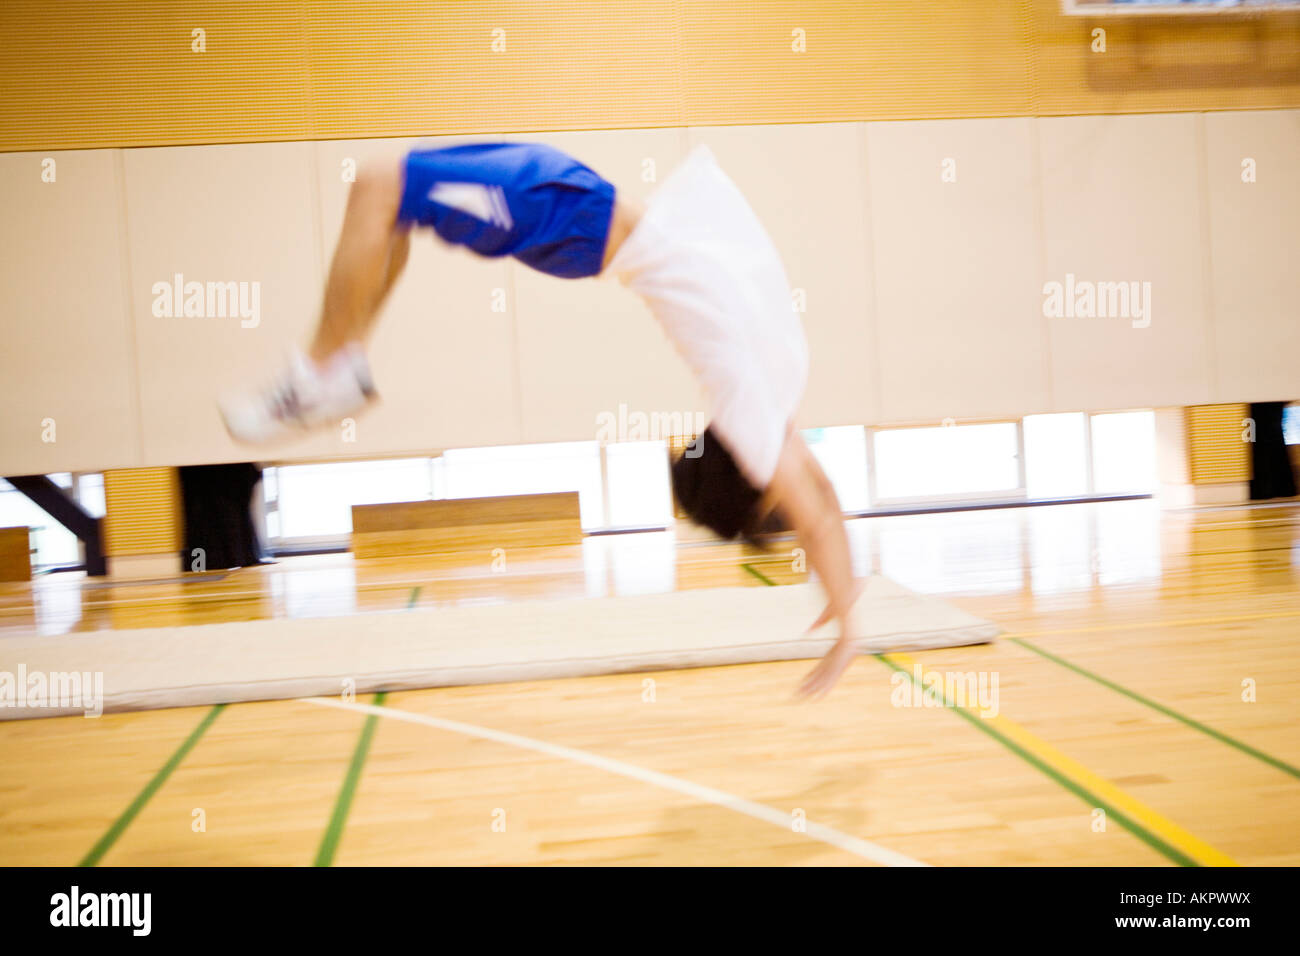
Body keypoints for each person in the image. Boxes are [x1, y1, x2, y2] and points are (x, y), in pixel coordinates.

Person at [220, 142, 865, 697]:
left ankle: (327, 368)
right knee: (390, 196)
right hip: (579, 210)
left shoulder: (754, 413)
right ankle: (341, 361)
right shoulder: (767, 410)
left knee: (380, 184)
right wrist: (844, 602)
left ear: (749, 477)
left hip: (574, 215)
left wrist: (843, 608)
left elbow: (814, 511)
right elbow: (820, 506)